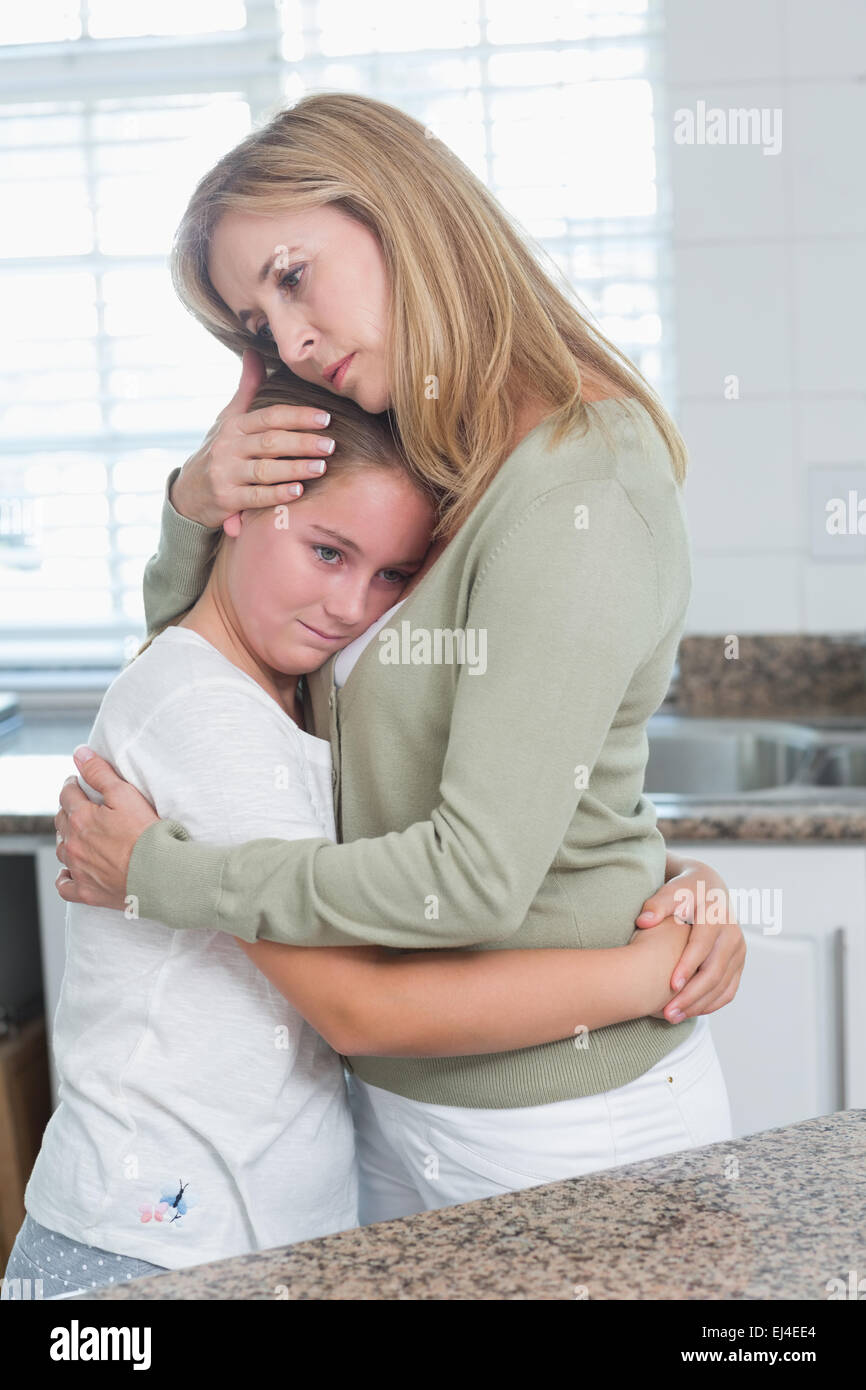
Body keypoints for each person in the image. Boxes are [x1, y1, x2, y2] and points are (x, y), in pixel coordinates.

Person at [53, 92, 744, 1227]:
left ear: (395, 210)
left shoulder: (577, 488)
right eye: (255, 326)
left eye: (290, 277)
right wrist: (197, 498)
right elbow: (216, 674)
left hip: (565, 1127)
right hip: (397, 1118)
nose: (290, 340)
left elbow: (470, 876)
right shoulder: (430, 458)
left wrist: (161, 875)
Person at [4, 372, 697, 1299]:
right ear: (242, 510)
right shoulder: (210, 720)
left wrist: (679, 876)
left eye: (391, 577)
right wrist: (658, 973)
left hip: (234, 1224)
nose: (350, 605)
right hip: (156, 1241)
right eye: (329, 552)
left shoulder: (292, 695)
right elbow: (365, 1000)